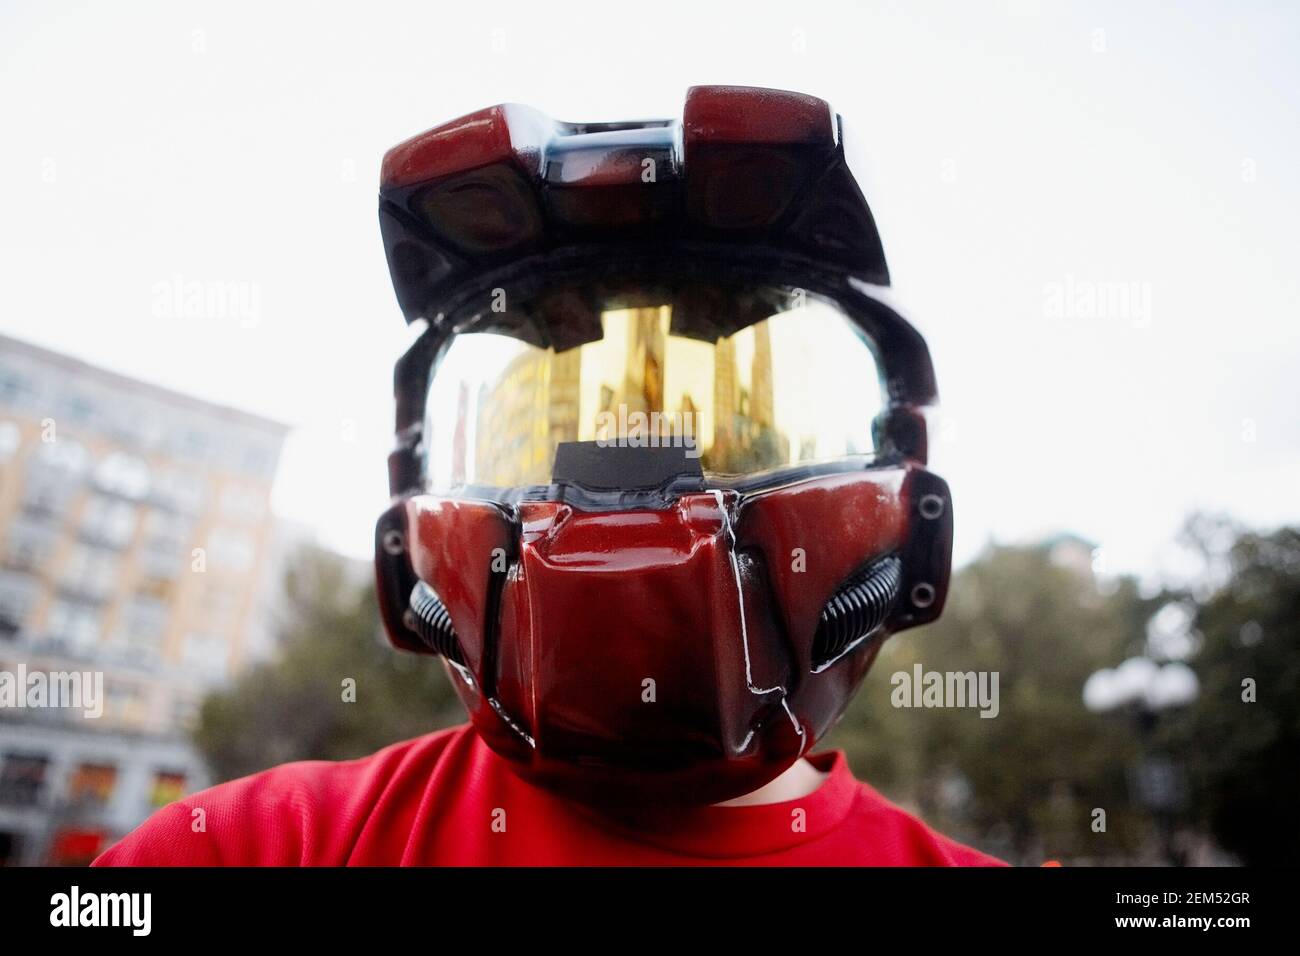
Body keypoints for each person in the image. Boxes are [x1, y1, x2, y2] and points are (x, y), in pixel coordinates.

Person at [95, 86, 1005, 866]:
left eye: (729, 434)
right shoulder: (241, 850)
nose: (633, 485)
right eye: (554, 424)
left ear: (912, 514)